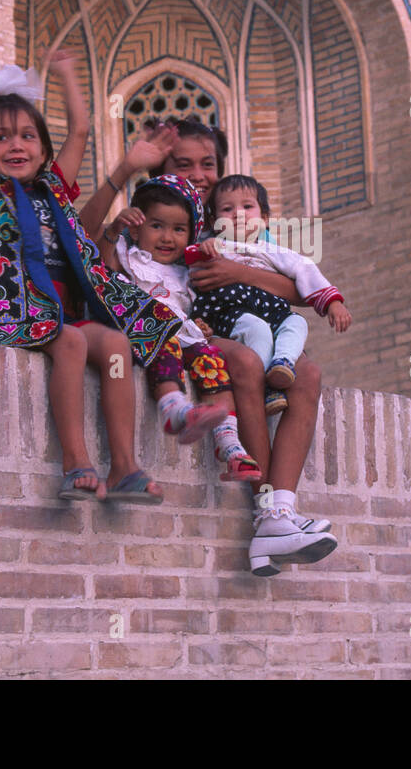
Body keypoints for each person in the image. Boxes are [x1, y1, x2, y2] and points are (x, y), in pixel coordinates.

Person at [80, 116, 336, 575]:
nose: (198, 174)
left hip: (251, 323)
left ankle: (281, 509)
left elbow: (296, 288)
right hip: (202, 330)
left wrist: (240, 273)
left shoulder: (235, 222)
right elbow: (94, 250)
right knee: (241, 359)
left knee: (310, 373)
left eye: (208, 163)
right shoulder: (155, 227)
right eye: (184, 164)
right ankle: (266, 512)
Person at [0, 29, 184, 504]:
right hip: (10, 310)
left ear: (42, 148)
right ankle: (76, 463)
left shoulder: (52, 190)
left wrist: (69, 74)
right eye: (2, 137)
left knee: (114, 342)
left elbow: (80, 132)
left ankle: (125, 467)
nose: (17, 145)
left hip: (58, 311)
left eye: (28, 136)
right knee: (71, 341)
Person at [97, 175, 260, 482]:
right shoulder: (130, 256)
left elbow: (192, 308)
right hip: (147, 331)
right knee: (167, 341)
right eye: (156, 226)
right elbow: (103, 268)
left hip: (183, 333)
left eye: (178, 229)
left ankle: (231, 446)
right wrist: (113, 230)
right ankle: (173, 407)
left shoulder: (186, 272)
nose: (167, 237)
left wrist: (200, 324)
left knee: (211, 358)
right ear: (137, 227)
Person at [194, 173, 353, 415]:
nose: (238, 214)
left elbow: (304, 268)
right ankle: (265, 388)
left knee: (297, 322)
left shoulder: (273, 251)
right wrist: (204, 250)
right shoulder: (217, 247)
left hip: (273, 313)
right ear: (214, 221)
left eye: (248, 207)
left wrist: (333, 303)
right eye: (228, 209)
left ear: (265, 218)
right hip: (233, 314)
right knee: (257, 330)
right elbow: (193, 268)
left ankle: (282, 364)